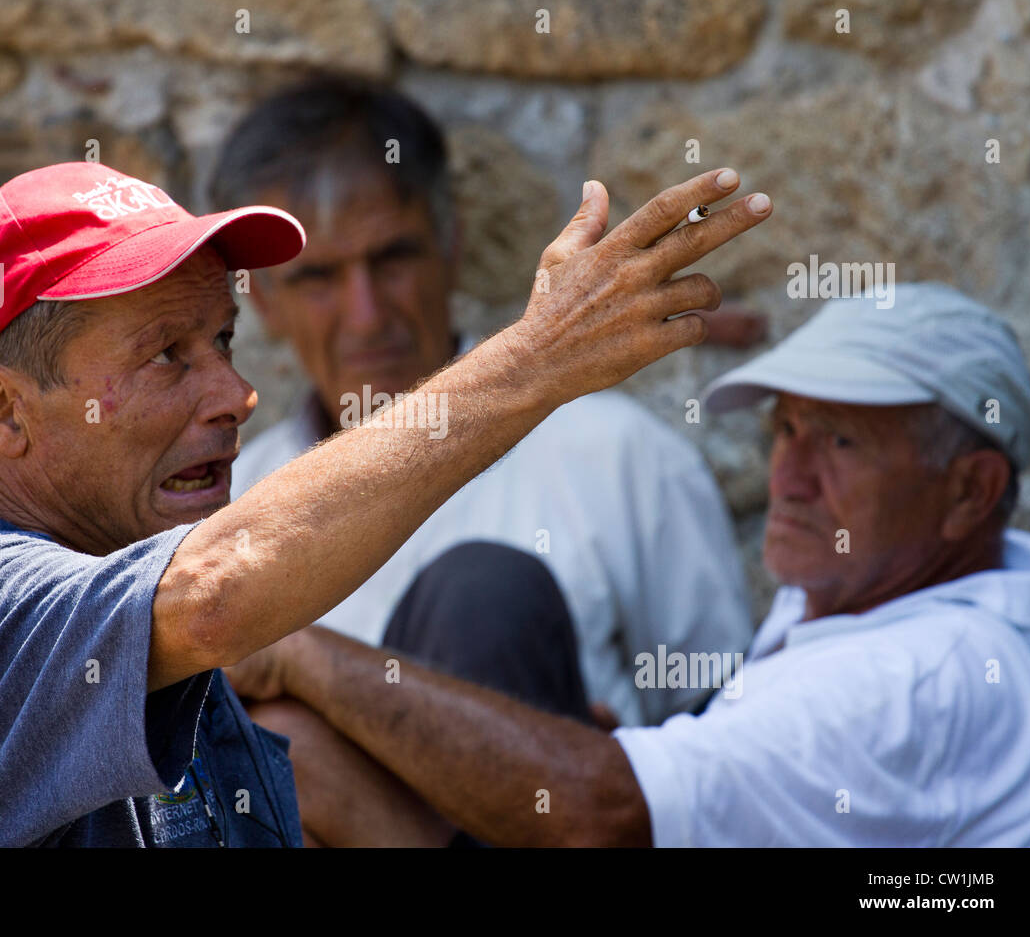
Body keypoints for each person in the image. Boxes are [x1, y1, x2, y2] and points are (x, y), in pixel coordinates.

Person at [0, 159, 771, 846]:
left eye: (222, 342)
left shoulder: (173, 668)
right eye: (166, 357)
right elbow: (220, 590)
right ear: (2, 408)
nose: (234, 395)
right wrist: (538, 359)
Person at [228, 283, 1030, 846]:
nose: (790, 478)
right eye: (787, 431)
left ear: (972, 492)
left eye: (841, 442)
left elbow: (600, 818)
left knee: (309, 748)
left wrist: (303, 652)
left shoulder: (915, 674)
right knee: (481, 604)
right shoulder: (886, 592)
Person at [211, 77, 753, 733]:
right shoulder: (232, 505)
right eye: (318, 278)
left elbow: (725, 744)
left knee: (486, 597)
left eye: (392, 259)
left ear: (450, 246)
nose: (366, 314)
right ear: (263, 300)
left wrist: (626, 764)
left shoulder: (618, 458)